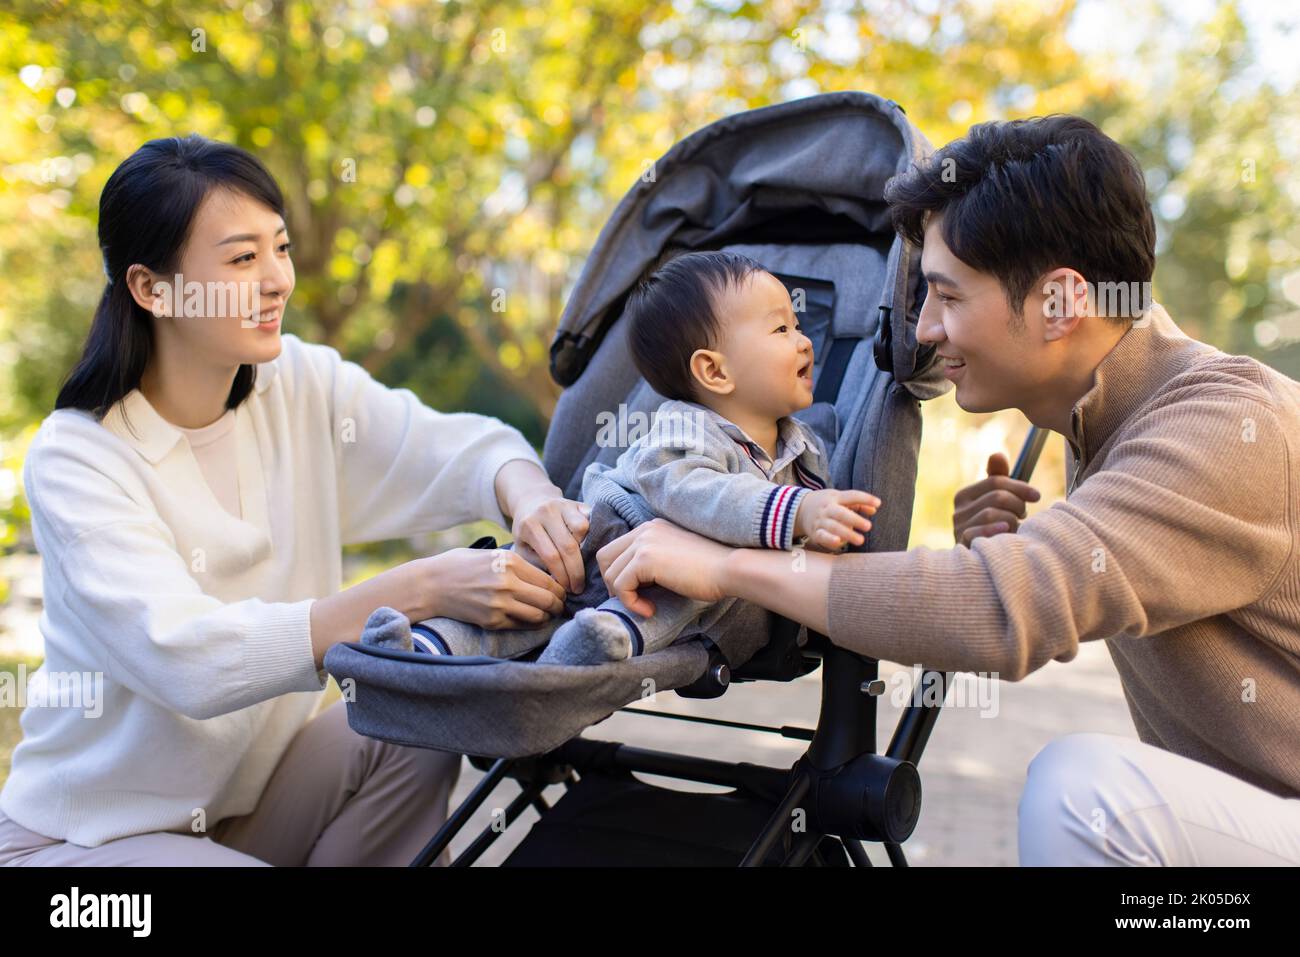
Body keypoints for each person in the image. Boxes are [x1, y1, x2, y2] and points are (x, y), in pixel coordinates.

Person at [588, 115, 1300, 866]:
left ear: (1061, 302)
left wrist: (726, 564)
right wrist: (1006, 560)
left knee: (1086, 794)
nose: (923, 329)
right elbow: (1046, 602)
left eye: (947, 296)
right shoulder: (1109, 422)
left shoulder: (1226, 424)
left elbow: (1006, 611)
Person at [0, 134, 588, 866]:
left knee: (421, 719)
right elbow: (191, 661)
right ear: (152, 289)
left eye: (279, 248)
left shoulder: (299, 384)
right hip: (83, 849)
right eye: (243, 258)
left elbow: (464, 448)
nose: (278, 278)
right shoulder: (78, 457)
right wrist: (423, 586)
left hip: (247, 816)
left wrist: (530, 497)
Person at [360, 251, 878, 665]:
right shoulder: (684, 426)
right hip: (600, 537)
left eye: (798, 324)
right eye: (782, 330)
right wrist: (797, 512)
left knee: (687, 593)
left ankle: (607, 637)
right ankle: (424, 646)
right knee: (522, 598)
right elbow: (690, 491)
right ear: (715, 373)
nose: (806, 341)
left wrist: (819, 535)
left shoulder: (803, 448)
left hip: (670, 584)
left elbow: (801, 542)